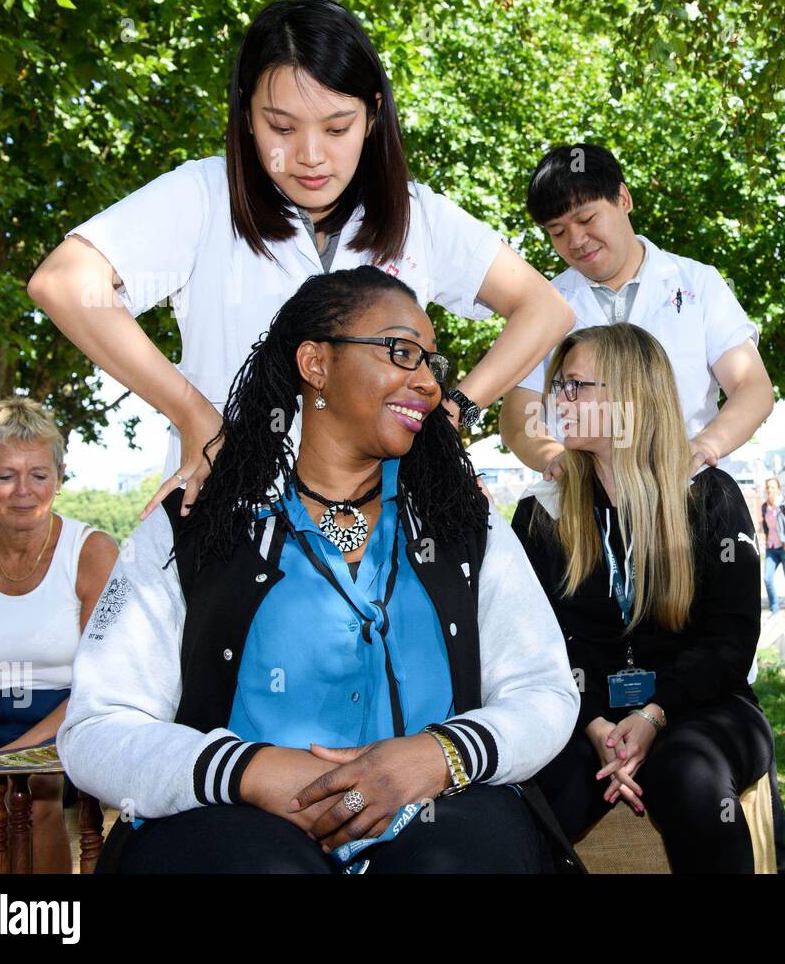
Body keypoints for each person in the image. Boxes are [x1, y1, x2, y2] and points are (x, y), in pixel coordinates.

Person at [58, 266, 580, 874]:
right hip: (236, 824)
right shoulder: (196, 523)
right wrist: (247, 772)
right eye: (401, 352)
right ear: (316, 364)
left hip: (444, 809)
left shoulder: (465, 522)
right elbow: (97, 727)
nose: (429, 385)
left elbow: (544, 690)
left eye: (430, 365)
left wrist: (438, 756)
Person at [27, 0, 574, 522]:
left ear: (373, 115)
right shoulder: (202, 196)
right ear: (246, 116)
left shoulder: (418, 215)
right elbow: (65, 283)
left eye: (337, 128)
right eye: (282, 128)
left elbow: (545, 308)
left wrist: (456, 410)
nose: (309, 156)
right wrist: (193, 413)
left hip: (387, 525)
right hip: (233, 517)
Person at [510, 324, 785, 873]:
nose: (558, 403)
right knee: (533, 798)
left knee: (690, 774)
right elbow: (536, 647)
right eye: (557, 388)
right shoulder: (541, 511)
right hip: (578, 712)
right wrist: (596, 725)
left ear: (628, 396)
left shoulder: (709, 497)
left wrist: (654, 714)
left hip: (700, 705)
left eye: (575, 387)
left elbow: (730, 643)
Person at [499, 143, 773, 480]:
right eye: (557, 232)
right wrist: (555, 458)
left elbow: (752, 387)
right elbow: (518, 414)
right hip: (585, 506)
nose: (576, 240)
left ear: (623, 199)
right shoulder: (541, 305)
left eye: (586, 219)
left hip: (690, 492)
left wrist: (705, 446)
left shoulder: (698, 284)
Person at [0, 399, 118, 873]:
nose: (23, 492)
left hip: (70, 713)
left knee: (34, 794)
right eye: (5, 475)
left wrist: (4, 762)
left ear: (60, 476)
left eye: (38, 474)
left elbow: (101, 679)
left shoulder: (92, 552)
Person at [760, 477, 785, 617]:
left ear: (778, 489)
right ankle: (774, 609)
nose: (769, 490)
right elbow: (766, 526)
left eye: (772, 487)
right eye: (767, 487)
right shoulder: (764, 507)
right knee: (767, 578)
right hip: (772, 548)